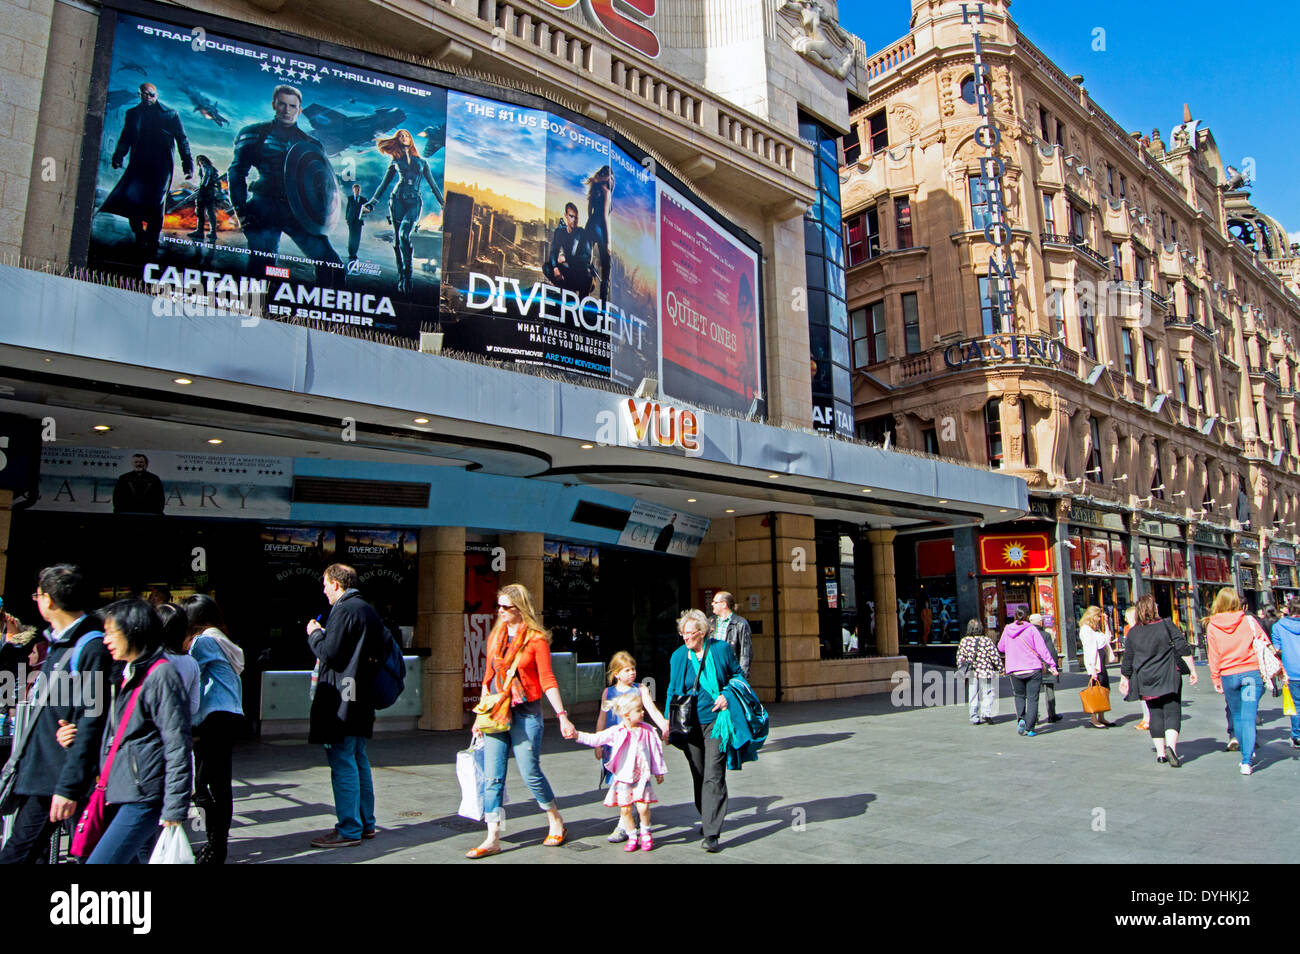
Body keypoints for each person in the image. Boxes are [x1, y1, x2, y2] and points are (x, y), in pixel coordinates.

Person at [0, 566, 112, 864]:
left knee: (17, 855)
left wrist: (68, 786)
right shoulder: (61, 644)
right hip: (43, 773)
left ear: (48, 600)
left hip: (58, 777)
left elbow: (91, 720)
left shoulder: (89, 647)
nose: (36, 600)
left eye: (38, 594)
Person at [466, 583, 575, 859]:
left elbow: (547, 679)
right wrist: (480, 715)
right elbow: (488, 677)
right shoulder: (496, 636)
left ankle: (554, 819)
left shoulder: (535, 639)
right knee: (492, 776)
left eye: (506, 607)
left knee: (530, 771)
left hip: (526, 711)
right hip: (496, 710)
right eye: (498, 606)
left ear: (520, 609)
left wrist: (562, 716)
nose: (500, 611)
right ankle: (492, 836)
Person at [85, 599, 192, 864]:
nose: (105, 640)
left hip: (143, 795)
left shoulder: (161, 674)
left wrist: (175, 807)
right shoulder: (128, 673)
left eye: (112, 632)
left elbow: (177, 743)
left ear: (134, 630)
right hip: (125, 791)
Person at [228, 84, 344, 287]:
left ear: (299, 110)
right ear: (274, 105)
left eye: (292, 106)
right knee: (262, 268)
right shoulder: (254, 133)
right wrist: (241, 209)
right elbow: (237, 172)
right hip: (263, 207)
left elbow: (323, 184)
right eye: (282, 104)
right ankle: (255, 312)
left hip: (299, 211)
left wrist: (321, 215)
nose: (286, 110)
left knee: (332, 266)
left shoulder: (310, 143)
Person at [305, 564, 385, 848]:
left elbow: (331, 654)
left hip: (342, 699)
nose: (324, 590)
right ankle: (366, 823)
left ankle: (349, 828)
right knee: (357, 757)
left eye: (325, 584)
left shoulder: (344, 609)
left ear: (336, 584)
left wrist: (315, 633)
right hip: (361, 696)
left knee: (342, 761)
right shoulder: (366, 609)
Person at [665, 609, 745, 853]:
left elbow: (738, 676)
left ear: (702, 633)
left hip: (716, 721)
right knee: (699, 773)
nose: (685, 638)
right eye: (683, 633)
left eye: (690, 634)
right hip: (689, 724)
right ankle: (707, 814)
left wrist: (727, 696)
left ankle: (712, 832)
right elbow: (671, 689)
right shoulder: (679, 656)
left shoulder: (720, 650)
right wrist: (668, 723)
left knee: (713, 773)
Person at [183, 594, 244, 863]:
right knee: (219, 785)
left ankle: (215, 846)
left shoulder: (204, 640)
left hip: (213, 717)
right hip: (227, 715)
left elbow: (187, 670)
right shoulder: (221, 637)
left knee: (201, 785)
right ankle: (217, 845)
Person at [100, 82, 193, 257]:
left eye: (150, 94)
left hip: (161, 166)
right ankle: (139, 236)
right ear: (139, 95)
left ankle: (152, 240)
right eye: (144, 94)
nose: (147, 97)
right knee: (132, 201)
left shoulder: (171, 114)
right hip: (139, 163)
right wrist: (118, 156)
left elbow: (182, 140)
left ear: (156, 94)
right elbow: (125, 137)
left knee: (157, 204)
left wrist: (187, 164)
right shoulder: (133, 114)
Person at [572, 692, 668, 852]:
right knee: (625, 810)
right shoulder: (617, 731)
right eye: (638, 710)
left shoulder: (648, 731)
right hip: (623, 778)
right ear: (627, 715)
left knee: (643, 808)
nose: (642, 713)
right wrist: (577, 735)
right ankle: (632, 835)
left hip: (641, 778)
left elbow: (655, 751)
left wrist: (658, 771)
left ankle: (645, 832)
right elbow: (596, 738)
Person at [595, 651, 668, 843]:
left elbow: (651, 710)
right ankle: (629, 817)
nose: (632, 673)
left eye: (633, 669)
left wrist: (665, 726)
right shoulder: (608, 692)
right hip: (614, 747)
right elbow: (602, 718)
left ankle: (623, 826)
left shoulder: (640, 689)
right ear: (617, 673)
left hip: (635, 748)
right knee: (617, 783)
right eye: (627, 670)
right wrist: (598, 742)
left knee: (629, 782)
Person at [1120, 594, 1197, 768]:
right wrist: (1192, 669)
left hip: (1146, 678)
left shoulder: (1133, 632)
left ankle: (1161, 754)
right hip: (1169, 675)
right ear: (1153, 609)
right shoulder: (1166, 625)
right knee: (1172, 712)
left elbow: (1128, 658)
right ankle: (1171, 747)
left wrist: (1125, 677)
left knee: (1155, 714)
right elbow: (1183, 647)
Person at [363, 129, 443, 293]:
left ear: (410, 140)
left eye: (407, 135)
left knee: (404, 235)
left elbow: (433, 185)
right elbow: (384, 184)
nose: (404, 138)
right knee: (397, 241)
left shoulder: (422, 163)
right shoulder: (395, 161)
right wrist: (372, 203)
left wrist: (443, 203)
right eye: (401, 136)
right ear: (398, 140)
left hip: (414, 201)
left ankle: (408, 276)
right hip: (397, 200)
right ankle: (402, 277)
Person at [1204, 588, 1267, 775]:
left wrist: (1215, 677)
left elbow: (1213, 655)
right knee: (1249, 715)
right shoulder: (1248, 620)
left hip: (1229, 676)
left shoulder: (1212, 625)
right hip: (1250, 673)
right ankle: (1247, 759)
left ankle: (1245, 749)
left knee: (1237, 715)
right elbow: (1264, 642)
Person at [996, 607, 1058, 737]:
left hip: (1014, 669)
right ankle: (1030, 728)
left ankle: (1021, 719)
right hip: (1032, 668)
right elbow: (1042, 649)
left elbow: (1000, 647)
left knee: (1019, 696)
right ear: (1027, 616)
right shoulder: (1031, 629)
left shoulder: (1008, 629)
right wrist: (1052, 665)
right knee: (1032, 699)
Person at [955, 618, 1001, 725]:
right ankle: (986, 713)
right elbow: (995, 656)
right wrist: (1001, 668)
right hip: (985, 670)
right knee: (987, 692)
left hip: (971, 671)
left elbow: (960, 658)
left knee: (973, 693)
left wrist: (961, 669)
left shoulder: (964, 641)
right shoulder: (987, 640)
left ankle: (974, 716)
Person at [544, 201, 594, 295]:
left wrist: (566, 259)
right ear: (566, 216)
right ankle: (566, 291)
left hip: (578, 273)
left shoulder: (583, 234)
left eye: (576, 217)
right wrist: (555, 268)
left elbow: (586, 258)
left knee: (588, 277)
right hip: (565, 272)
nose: (574, 220)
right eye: (571, 216)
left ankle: (576, 301)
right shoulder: (559, 232)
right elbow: (553, 252)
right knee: (546, 267)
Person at [1079, 605, 1115, 728]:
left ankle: (1102, 716)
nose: (1099, 618)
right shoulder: (1086, 629)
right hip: (1096, 664)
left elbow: (1107, 639)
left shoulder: (1096, 629)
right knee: (1095, 691)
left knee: (1104, 689)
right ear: (1092, 616)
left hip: (1101, 662)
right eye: (1098, 616)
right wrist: (1092, 668)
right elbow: (1090, 650)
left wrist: (1106, 624)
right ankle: (1093, 718)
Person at [1271, 596, 1300, 749]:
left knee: (1296, 705)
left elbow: (1276, 649)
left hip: (1291, 671)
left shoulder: (1278, 627)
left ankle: (1297, 735)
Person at [585, 164, 614, 311]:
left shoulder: (594, 188)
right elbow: (604, 217)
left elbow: (590, 211)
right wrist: (608, 242)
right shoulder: (606, 191)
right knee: (607, 267)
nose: (612, 180)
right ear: (609, 177)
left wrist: (590, 224)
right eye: (611, 177)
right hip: (600, 228)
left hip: (589, 225)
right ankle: (603, 307)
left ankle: (583, 296)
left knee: (586, 262)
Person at [708, 590, 752, 678]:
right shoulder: (710, 622)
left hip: (730, 672)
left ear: (724, 604)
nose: (712, 604)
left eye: (715, 602)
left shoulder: (740, 623)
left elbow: (745, 653)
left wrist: (741, 678)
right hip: (712, 671)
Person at [1030, 612, 1062, 724]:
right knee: (1049, 690)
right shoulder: (1045, 635)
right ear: (1040, 622)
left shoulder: (1027, 634)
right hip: (1045, 667)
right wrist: (1053, 666)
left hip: (1032, 667)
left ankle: (1034, 716)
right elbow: (1051, 651)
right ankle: (1052, 715)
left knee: (1033, 693)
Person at [188, 154, 221, 244]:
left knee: (201, 212)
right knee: (208, 212)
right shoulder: (213, 169)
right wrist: (219, 192)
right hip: (210, 192)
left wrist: (202, 188)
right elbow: (218, 182)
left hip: (205, 193)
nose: (201, 162)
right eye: (199, 160)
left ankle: (201, 232)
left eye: (201, 160)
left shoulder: (205, 167)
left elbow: (206, 176)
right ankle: (211, 232)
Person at [345, 182, 366, 265]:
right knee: (351, 237)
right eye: (355, 189)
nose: (357, 191)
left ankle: (354, 253)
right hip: (351, 220)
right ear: (353, 190)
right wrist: (346, 219)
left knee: (357, 238)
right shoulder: (350, 198)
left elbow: (367, 209)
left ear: (360, 190)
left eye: (358, 189)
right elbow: (347, 209)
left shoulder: (363, 199)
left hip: (359, 221)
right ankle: (350, 253)